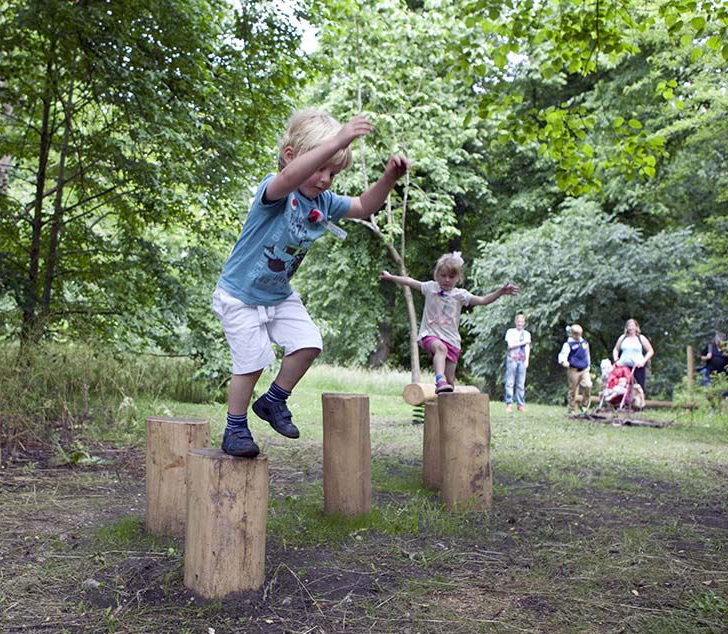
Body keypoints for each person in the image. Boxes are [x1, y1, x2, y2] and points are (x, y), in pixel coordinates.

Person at [214, 110, 411, 457]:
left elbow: (365, 205)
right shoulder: (276, 191)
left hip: (277, 295)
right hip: (240, 295)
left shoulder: (323, 202)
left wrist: (389, 177)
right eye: (320, 168)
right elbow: (291, 176)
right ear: (291, 156)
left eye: (333, 173)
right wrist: (339, 139)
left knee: (308, 343)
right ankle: (235, 428)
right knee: (253, 360)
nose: (325, 179)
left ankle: (274, 401)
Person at [380, 253, 518, 395]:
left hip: (452, 340)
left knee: (450, 383)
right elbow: (409, 281)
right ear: (437, 275)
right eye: (443, 275)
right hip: (430, 335)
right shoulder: (430, 288)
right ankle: (439, 379)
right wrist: (391, 277)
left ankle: (444, 404)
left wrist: (500, 292)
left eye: (451, 277)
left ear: (458, 278)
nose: (446, 280)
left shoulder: (460, 295)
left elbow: (482, 300)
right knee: (440, 349)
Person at [612, 318, 655, 391]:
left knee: (638, 389)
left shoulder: (641, 338)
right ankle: (624, 402)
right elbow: (616, 349)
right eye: (629, 326)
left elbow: (650, 351)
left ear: (636, 327)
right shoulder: (623, 338)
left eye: (632, 326)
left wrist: (643, 361)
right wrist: (616, 359)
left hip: (637, 367)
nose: (631, 328)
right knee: (623, 388)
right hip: (624, 367)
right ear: (626, 328)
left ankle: (639, 402)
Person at [558, 324, 591, 414]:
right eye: (576, 334)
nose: (578, 336)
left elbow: (587, 355)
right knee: (572, 390)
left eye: (579, 334)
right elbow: (563, 354)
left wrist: (588, 365)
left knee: (588, 385)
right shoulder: (568, 344)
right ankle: (571, 409)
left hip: (584, 369)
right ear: (572, 334)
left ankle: (584, 404)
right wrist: (564, 361)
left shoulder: (584, 343)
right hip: (573, 370)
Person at [503, 313, 531, 412]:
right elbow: (510, 346)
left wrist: (527, 360)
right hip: (512, 359)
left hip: (522, 360)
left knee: (521, 384)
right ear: (515, 322)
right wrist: (524, 342)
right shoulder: (510, 332)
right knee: (510, 382)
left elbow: (527, 347)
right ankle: (509, 404)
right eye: (518, 321)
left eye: (522, 321)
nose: (520, 323)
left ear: (524, 323)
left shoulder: (527, 334)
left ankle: (520, 405)